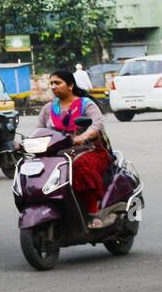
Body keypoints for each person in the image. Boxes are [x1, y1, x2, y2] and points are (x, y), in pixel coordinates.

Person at [36, 70, 111, 229]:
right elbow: (39, 131)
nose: (53, 87)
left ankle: (92, 212)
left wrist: (82, 137)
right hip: (57, 153)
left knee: (79, 166)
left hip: (89, 150)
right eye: (51, 84)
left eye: (58, 83)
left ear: (70, 85)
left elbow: (97, 125)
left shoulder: (86, 104)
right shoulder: (48, 108)